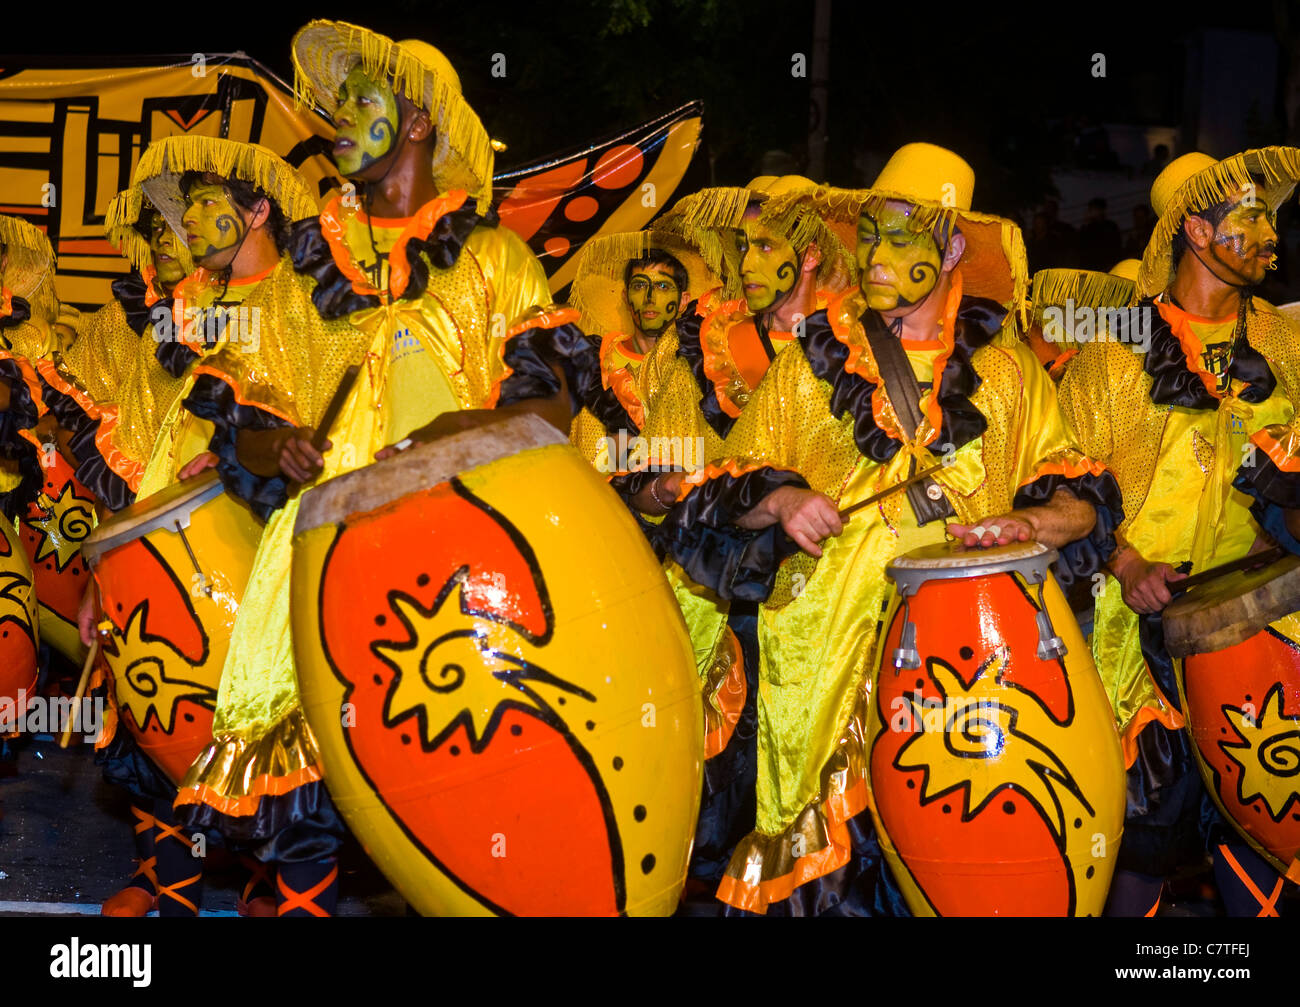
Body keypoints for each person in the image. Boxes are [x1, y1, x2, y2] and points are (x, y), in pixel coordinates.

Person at [653, 143, 1122, 915]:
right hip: (826, 670)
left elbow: (1085, 497)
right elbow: (718, 488)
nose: (875, 254)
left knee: (957, 870)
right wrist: (782, 500)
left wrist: (1030, 520)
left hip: (964, 680)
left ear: (952, 247)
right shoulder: (815, 364)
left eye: (903, 235)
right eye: (870, 232)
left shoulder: (1006, 374)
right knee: (836, 890)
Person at [1058, 147, 1300, 916]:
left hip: (1264, 640)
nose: (1269, 234)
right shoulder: (1114, 349)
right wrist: (1126, 564)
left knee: (1262, 822)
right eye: (1248, 217)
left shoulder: (1287, 344)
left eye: (1269, 215)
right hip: (1134, 643)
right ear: (1197, 230)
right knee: (1141, 841)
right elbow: (1065, 483)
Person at [1077, 197, 1123, 271]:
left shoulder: (1110, 226)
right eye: (1090, 209)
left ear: (1101, 210)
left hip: (1108, 266)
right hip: (1091, 267)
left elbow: (1116, 246)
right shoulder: (1087, 227)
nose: (1090, 212)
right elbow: (1081, 246)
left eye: (1093, 209)